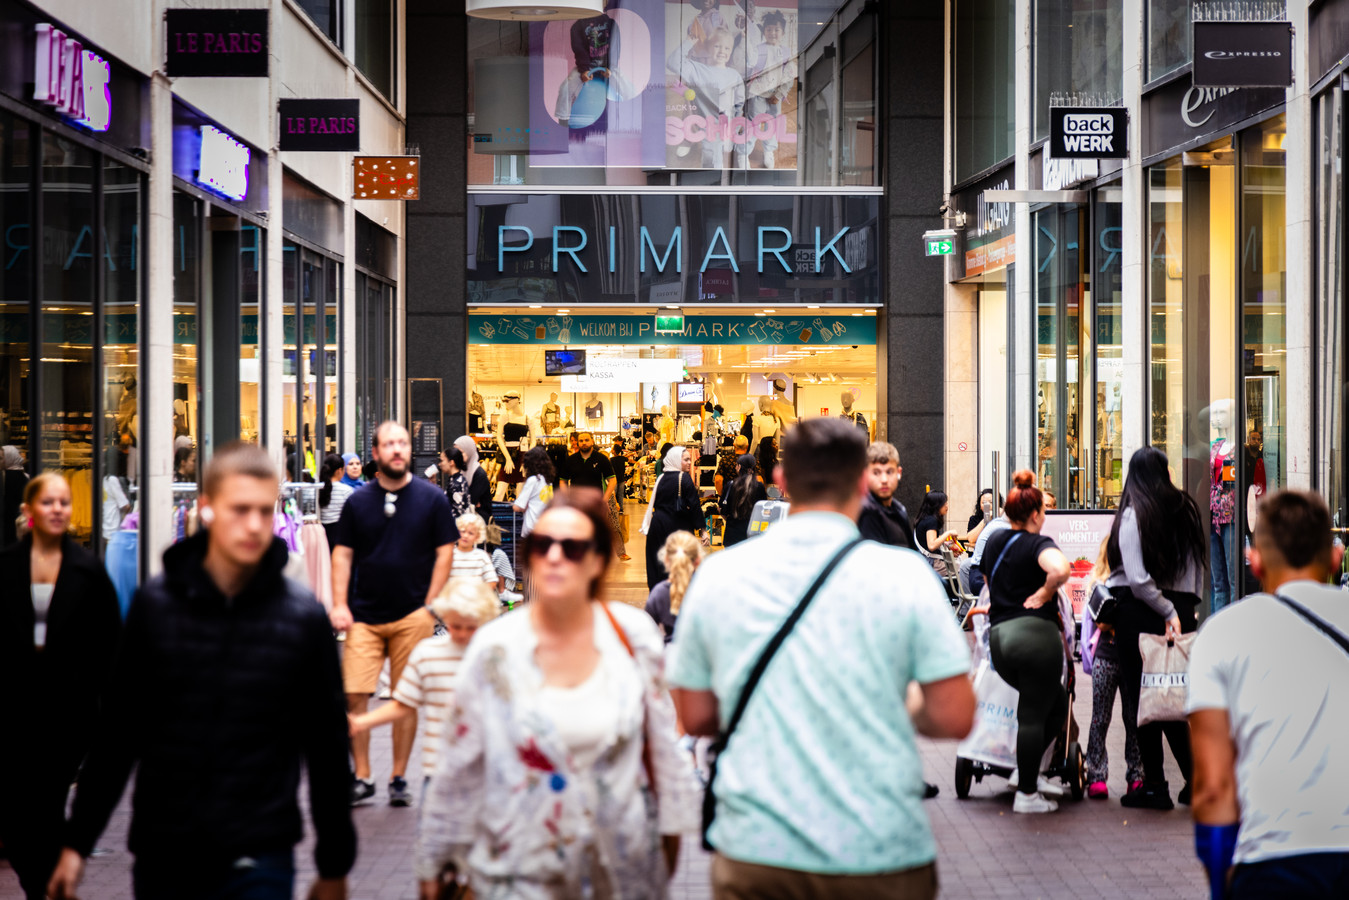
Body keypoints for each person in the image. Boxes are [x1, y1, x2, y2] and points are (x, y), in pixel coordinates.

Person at [668, 418, 975, 897]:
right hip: (881, 850)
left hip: (757, 849)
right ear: (861, 481)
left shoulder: (719, 576)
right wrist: (898, 699)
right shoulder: (906, 575)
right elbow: (954, 715)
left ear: (782, 480)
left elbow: (695, 714)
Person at [45, 442, 355, 900]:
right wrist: (76, 844)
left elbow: (327, 748)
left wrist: (334, 866)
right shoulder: (157, 607)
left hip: (261, 848)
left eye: (264, 511)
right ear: (206, 509)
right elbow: (118, 735)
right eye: (239, 509)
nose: (254, 525)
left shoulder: (301, 618)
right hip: (167, 846)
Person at [416, 492, 700, 896]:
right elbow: (459, 762)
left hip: (618, 875)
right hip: (517, 875)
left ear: (598, 559)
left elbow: (661, 751)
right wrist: (434, 857)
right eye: (542, 544)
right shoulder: (494, 647)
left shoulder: (633, 637)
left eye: (572, 547)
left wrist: (662, 858)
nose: (554, 556)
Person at [1189, 490, 1349, 899]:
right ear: (1335, 558)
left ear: (1254, 560)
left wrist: (1221, 885)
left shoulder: (1222, 635)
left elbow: (1213, 787)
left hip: (1272, 861)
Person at [0, 474, 121, 900]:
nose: (57, 510)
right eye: (48, 502)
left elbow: (110, 647)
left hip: (66, 714)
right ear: (28, 509)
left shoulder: (87, 571)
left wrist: (107, 709)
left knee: (48, 801)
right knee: (17, 815)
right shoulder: (7, 567)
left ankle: (46, 886)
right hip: (14, 712)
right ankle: (45, 880)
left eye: (64, 503)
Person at [330, 421, 458, 808]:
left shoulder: (430, 499)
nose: (398, 450)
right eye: (389, 444)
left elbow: (445, 551)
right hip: (364, 617)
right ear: (375, 454)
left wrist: (431, 605)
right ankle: (363, 776)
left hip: (412, 615)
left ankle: (399, 776)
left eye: (402, 443)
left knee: (406, 699)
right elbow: (343, 554)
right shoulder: (358, 502)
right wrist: (338, 604)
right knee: (355, 695)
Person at [349, 579, 499, 900]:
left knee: (481, 868)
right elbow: (404, 703)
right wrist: (362, 722)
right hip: (439, 773)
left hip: (486, 776)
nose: (461, 634)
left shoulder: (496, 656)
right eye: (455, 625)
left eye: (470, 627)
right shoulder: (428, 653)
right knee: (429, 867)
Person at [1106, 446, 1206, 810]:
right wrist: (1183, 609)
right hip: (1178, 609)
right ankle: (1195, 781)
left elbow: (1136, 578)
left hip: (1139, 610)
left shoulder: (1134, 514)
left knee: (1143, 700)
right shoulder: (1186, 510)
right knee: (1170, 696)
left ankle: (1155, 785)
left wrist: (1164, 608)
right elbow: (1196, 568)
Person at [981, 469, 1072, 814]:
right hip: (1034, 636)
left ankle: (1027, 771)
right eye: (1043, 512)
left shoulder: (995, 542)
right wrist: (1046, 591)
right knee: (1033, 714)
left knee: (1057, 702)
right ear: (1035, 515)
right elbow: (1061, 569)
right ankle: (1027, 793)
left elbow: (989, 580)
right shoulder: (1039, 544)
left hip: (1001, 640)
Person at [1082, 538, 1143, 800]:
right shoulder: (1099, 585)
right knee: (1100, 717)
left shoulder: (1138, 584)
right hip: (1106, 657)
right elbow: (1103, 624)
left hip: (1131, 657)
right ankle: (1096, 774)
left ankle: (1136, 775)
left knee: (1134, 719)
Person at [642, 444, 706, 589]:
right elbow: (695, 506)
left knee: (657, 563)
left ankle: (658, 594)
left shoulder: (661, 478)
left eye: (690, 460)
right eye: (686, 460)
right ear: (676, 460)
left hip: (657, 525)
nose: (690, 463)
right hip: (678, 526)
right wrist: (702, 529)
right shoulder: (684, 479)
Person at [562, 430, 627, 562]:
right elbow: (562, 480)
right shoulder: (571, 460)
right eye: (581, 440)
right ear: (577, 443)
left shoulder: (601, 459)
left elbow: (612, 480)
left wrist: (604, 500)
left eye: (586, 440)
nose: (584, 443)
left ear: (592, 441)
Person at [645, 530, 703, 644]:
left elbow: (645, 635)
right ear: (698, 560)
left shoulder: (659, 593)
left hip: (669, 657)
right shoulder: (707, 590)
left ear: (666, 560)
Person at [856, 440, 915, 550]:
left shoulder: (899, 509)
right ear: (865, 475)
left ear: (899, 473)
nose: (884, 480)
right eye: (876, 473)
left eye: (889, 472)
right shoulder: (865, 512)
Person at [720, 453, 767, 547]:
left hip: (733, 533)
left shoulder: (731, 485)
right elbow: (763, 511)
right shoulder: (759, 486)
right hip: (753, 534)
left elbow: (723, 511)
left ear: (739, 467)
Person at [449, 512, 502, 592]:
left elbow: (492, 581)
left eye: (470, 533)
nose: (465, 536)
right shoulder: (449, 555)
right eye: (463, 531)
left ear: (477, 536)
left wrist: (479, 594)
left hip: (476, 600)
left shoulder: (481, 556)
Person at [512, 446, 555, 538]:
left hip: (532, 527)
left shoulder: (533, 480)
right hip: (545, 527)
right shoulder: (548, 480)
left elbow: (517, 507)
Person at [453, 435, 492, 525]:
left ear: (469, 451)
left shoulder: (479, 474)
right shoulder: (462, 469)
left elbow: (470, 500)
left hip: (478, 521)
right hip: (465, 517)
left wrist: (464, 500)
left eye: (461, 452)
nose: (457, 456)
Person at [319, 453, 354, 547]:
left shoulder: (317, 489)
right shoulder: (347, 491)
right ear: (339, 470)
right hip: (340, 535)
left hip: (320, 536)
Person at [3, 444, 29, 547]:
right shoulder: (25, 477)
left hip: (8, 525)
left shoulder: (7, 477)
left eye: (1, 458)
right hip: (20, 525)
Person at [437, 446, 471, 519]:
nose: (439, 464)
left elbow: (458, 512)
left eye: (442, 461)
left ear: (451, 462)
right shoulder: (457, 479)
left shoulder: (456, 484)